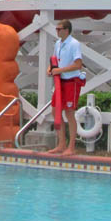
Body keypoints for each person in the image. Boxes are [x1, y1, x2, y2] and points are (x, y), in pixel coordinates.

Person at [46, 19, 84, 155]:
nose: (57, 31)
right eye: (56, 29)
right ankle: (61, 144)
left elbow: (78, 64)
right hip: (59, 82)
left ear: (66, 30)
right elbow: (54, 60)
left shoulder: (74, 44)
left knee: (69, 112)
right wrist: (50, 69)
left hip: (71, 82)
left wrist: (60, 71)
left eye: (59, 29)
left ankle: (71, 146)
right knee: (55, 110)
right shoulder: (58, 43)